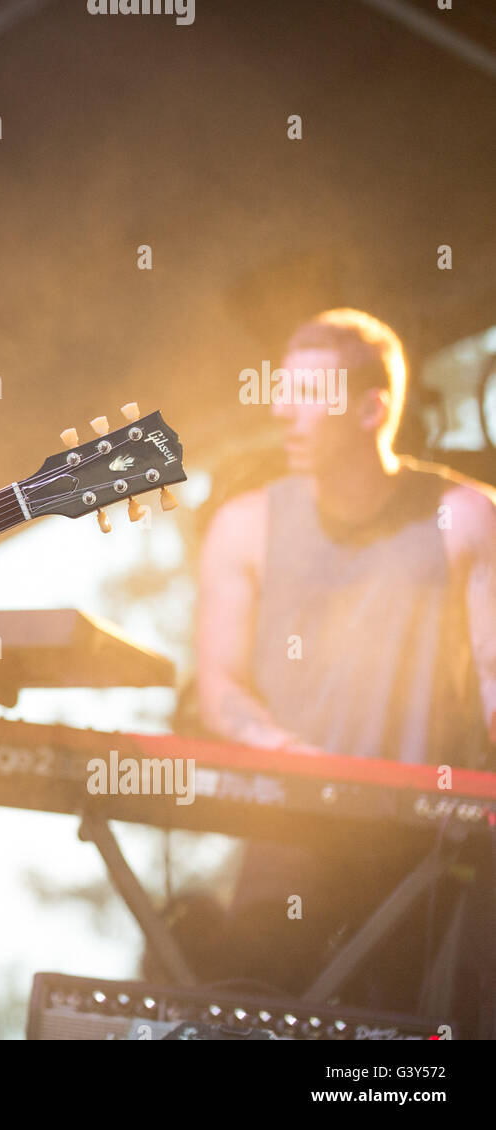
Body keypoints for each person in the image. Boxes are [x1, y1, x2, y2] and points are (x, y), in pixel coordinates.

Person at [194, 308, 496, 1022]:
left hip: (433, 862)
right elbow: (220, 686)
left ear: (372, 409)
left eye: (308, 395)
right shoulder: (246, 524)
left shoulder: (468, 517)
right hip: (288, 853)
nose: (282, 412)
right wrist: (291, 756)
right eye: (281, 391)